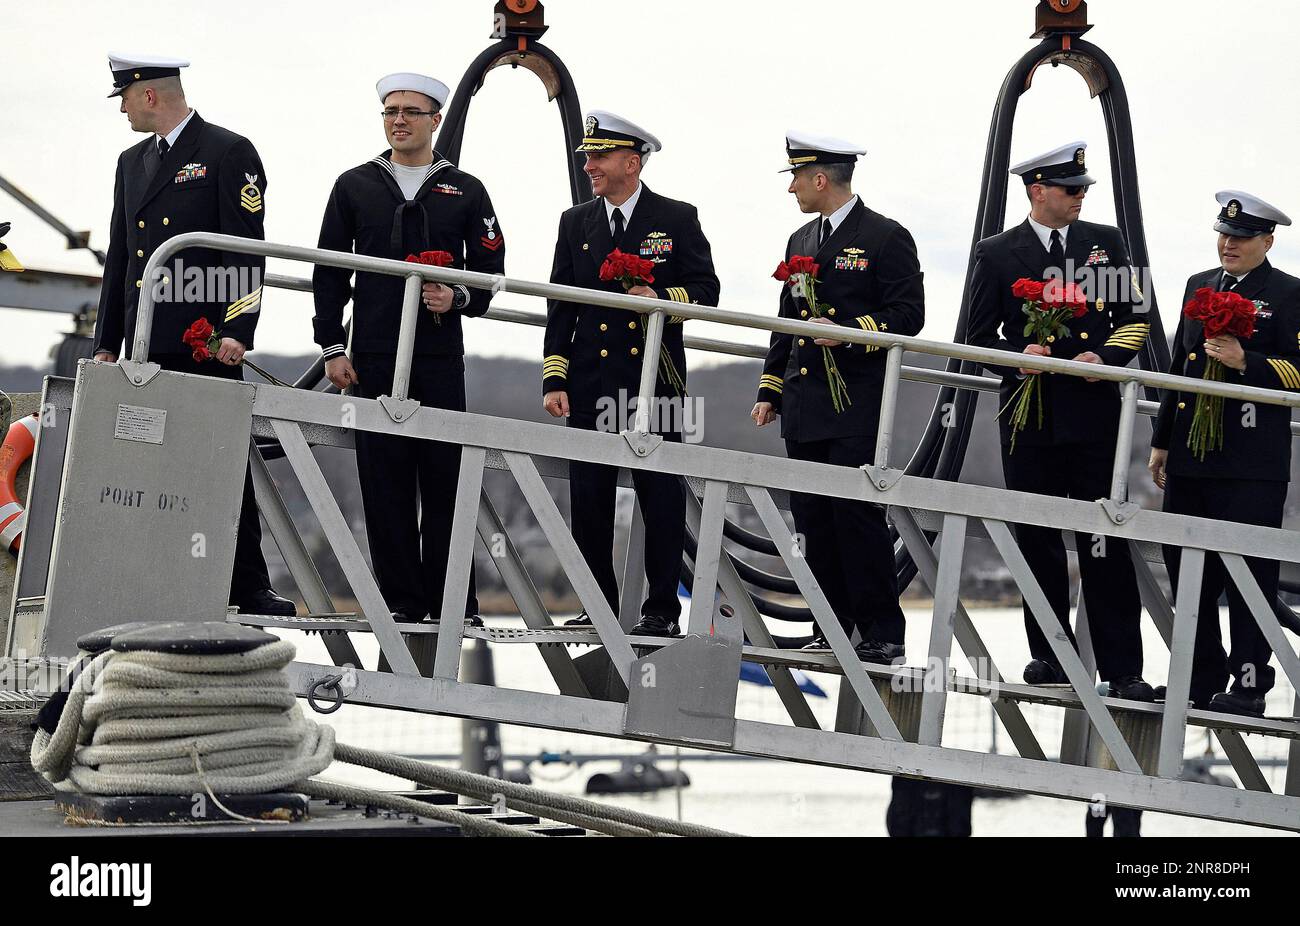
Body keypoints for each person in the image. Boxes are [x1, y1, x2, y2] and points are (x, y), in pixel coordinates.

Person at [93, 53, 293, 617]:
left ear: (149, 95)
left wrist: (238, 328)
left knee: (221, 461)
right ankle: (161, 576)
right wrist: (108, 340)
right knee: (148, 463)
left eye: (126, 99)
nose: (124, 110)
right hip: (144, 341)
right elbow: (120, 261)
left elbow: (246, 250)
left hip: (203, 340)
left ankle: (247, 584)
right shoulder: (131, 162)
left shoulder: (227, 151)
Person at [313, 72, 505, 626]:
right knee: (384, 481)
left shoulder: (466, 190)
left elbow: (492, 275)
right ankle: (401, 602)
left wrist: (458, 296)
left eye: (410, 112)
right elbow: (329, 272)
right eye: (390, 111)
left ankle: (452, 604)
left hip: (439, 356)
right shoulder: (354, 185)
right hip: (370, 352)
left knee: (445, 478)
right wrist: (331, 345)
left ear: (435, 120)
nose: (398, 119)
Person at [966, 141, 1153, 700]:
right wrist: (1022, 357)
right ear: (1037, 191)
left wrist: (1106, 359)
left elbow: (1137, 318)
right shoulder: (997, 253)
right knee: (1037, 539)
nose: (1080, 198)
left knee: (1103, 539)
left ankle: (1124, 670)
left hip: (1097, 416)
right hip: (1031, 417)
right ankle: (1050, 656)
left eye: (1084, 190)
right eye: (1071, 190)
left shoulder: (1106, 245)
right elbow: (977, 339)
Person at [543, 111, 719, 638]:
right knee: (589, 496)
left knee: (660, 496)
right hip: (591, 380)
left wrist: (661, 300)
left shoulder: (677, 217)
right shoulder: (575, 223)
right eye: (588, 158)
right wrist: (555, 377)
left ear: (632, 162)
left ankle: (662, 608)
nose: (590, 166)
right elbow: (562, 306)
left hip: (655, 380)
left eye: (599, 157)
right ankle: (596, 604)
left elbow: (707, 292)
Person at [751, 131, 923, 663]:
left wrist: (853, 330)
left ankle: (881, 631)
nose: (792, 190)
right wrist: (770, 388)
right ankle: (833, 623)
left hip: (854, 406)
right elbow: (788, 321)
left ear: (820, 178)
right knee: (813, 522)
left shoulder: (885, 237)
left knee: (855, 518)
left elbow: (908, 316)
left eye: (797, 178)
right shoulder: (800, 240)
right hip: (803, 405)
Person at [1149, 191, 1300, 718]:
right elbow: (1178, 366)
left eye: (1240, 237)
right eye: (1223, 234)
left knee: (1247, 576)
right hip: (1192, 453)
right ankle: (1199, 678)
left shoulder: (1289, 293)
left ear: (1267, 240)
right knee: (1188, 570)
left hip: (1251, 462)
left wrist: (1247, 361)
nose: (1228, 244)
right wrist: (1162, 439)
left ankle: (1251, 684)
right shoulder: (1198, 285)